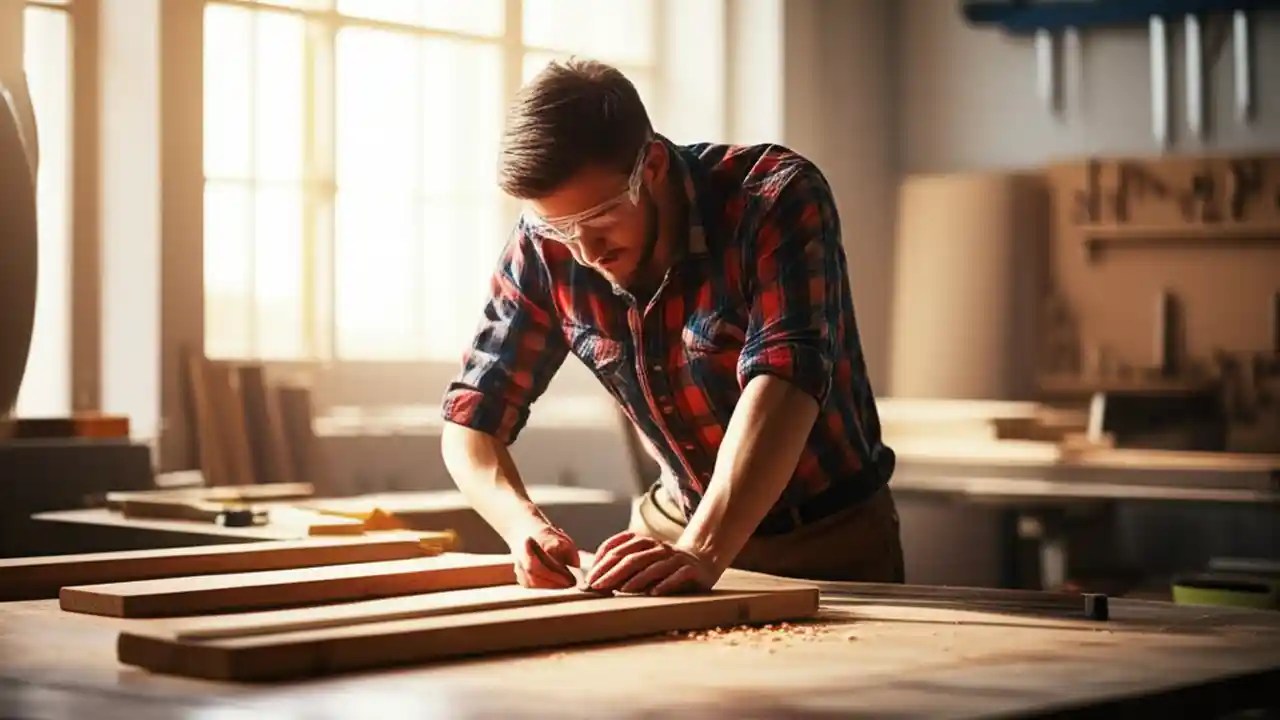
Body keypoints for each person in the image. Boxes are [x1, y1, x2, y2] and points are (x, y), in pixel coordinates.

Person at [441, 59, 902, 596]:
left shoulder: (773, 196)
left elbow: (786, 380)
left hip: (825, 536)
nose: (585, 252)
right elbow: (471, 417)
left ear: (653, 165)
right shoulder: (544, 244)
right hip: (674, 522)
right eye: (560, 228)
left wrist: (703, 550)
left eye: (601, 220)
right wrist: (523, 526)